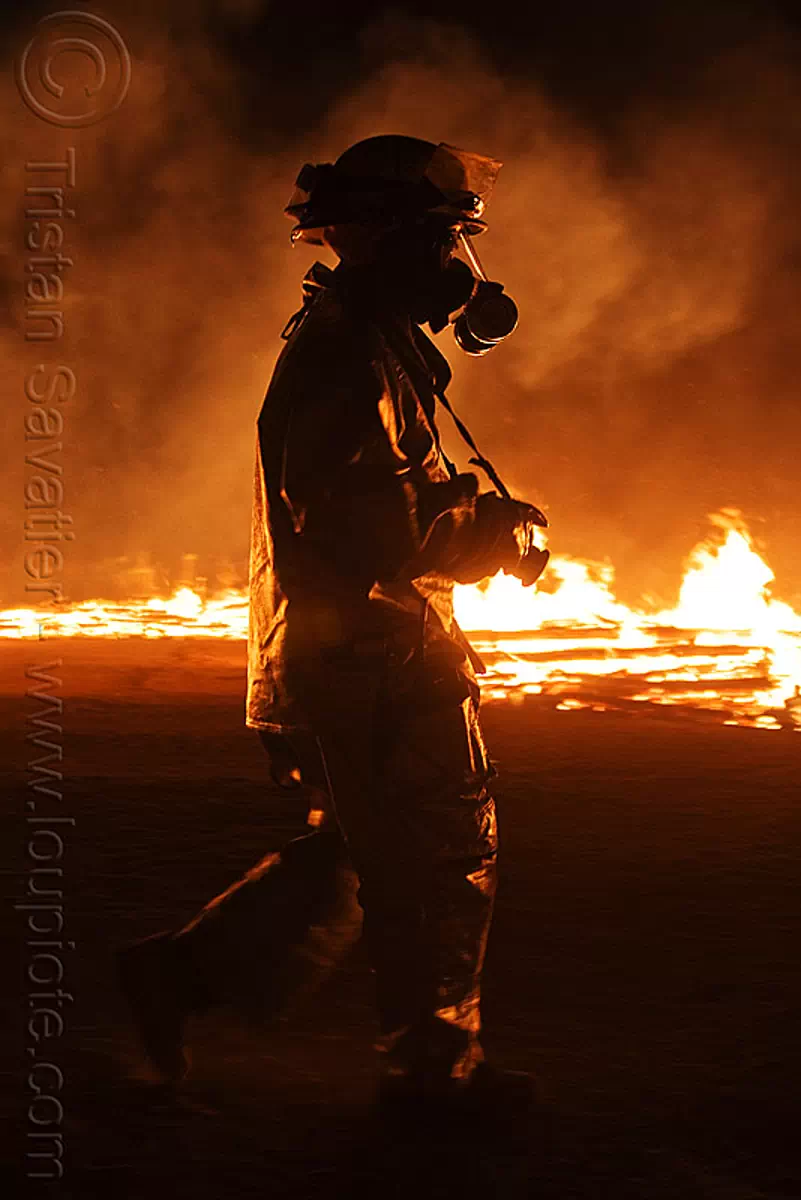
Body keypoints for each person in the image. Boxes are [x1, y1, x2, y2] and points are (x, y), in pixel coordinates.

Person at [118, 135, 548, 1110]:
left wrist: (476, 521)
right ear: (386, 238)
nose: (460, 267)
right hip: (374, 652)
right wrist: (491, 538)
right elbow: (367, 535)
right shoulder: (348, 359)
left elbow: (384, 505)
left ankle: (181, 978)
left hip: (369, 645)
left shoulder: (372, 341)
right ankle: (435, 1073)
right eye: (443, 238)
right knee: (444, 846)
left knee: (369, 843)